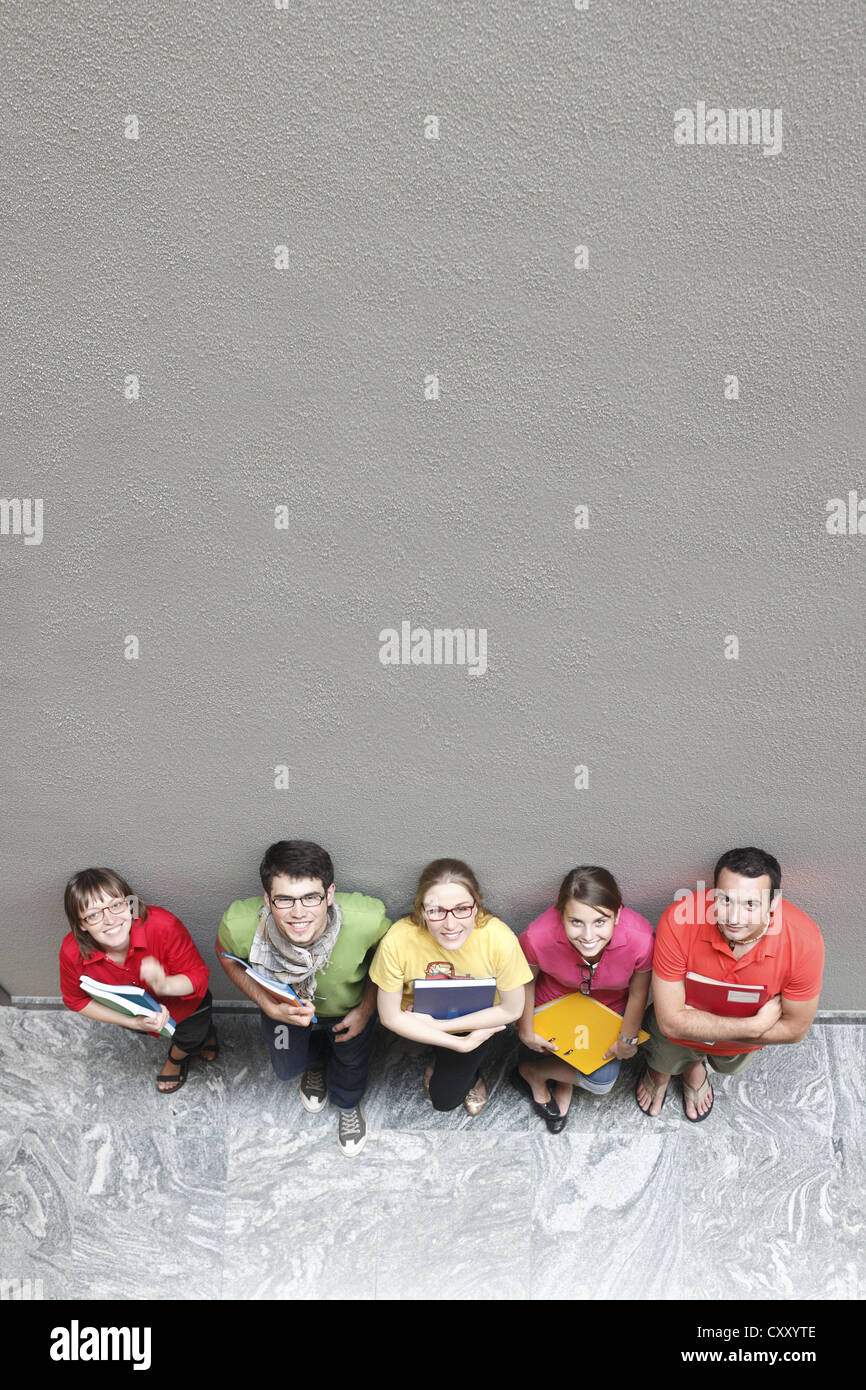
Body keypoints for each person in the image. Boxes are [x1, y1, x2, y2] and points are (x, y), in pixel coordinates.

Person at [216, 839, 389, 1157]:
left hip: (347, 1010)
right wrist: (268, 1005)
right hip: (283, 1009)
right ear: (268, 900)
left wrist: (366, 1009)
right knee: (288, 1061)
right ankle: (314, 1067)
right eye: (284, 900)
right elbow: (225, 955)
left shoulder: (368, 919)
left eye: (311, 897)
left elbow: (388, 959)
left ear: (330, 894)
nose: (299, 913)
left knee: (351, 1061)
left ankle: (348, 1104)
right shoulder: (239, 924)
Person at [635, 846, 825, 1121]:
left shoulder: (804, 941)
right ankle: (661, 1070)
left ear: (773, 905)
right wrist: (753, 1026)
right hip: (687, 1034)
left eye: (750, 904)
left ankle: (694, 1068)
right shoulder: (679, 920)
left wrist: (722, 1030)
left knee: (727, 1065)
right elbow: (669, 1022)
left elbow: (795, 1030)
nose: (734, 918)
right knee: (662, 1052)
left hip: (736, 1047)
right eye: (725, 900)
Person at [370, 858, 532, 1116]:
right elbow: (390, 1016)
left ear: (476, 907)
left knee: (444, 1100)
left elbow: (512, 1009)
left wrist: (442, 1028)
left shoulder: (498, 939)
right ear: (422, 910)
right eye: (436, 911)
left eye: (461, 909)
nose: (450, 924)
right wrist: (458, 1044)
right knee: (445, 1084)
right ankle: (443, 1054)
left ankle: (472, 1074)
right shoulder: (399, 940)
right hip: (416, 1018)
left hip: (478, 1023)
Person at [515, 866, 653, 1131]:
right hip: (551, 1004)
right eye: (576, 922)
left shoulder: (641, 939)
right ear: (561, 915)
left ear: (618, 915)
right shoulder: (537, 937)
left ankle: (537, 1072)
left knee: (602, 1082)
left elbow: (638, 992)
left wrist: (627, 1039)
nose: (588, 937)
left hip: (606, 1010)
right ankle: (554, 1076)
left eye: (600, 921)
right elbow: (525, 982)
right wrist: (526, 1030)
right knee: (551, 1047)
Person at [60, 868, 215, 1094]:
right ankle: (204, 1035)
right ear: (81, 924)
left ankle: (177, 1059)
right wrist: (134, 1023)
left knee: (191, 1037)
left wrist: (165, 985)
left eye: (116, 905)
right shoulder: (71, 951)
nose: (109, 920)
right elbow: (75, 1001)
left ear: (130, 904)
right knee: (192, 1035)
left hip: (186, 1008)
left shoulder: (163, 925)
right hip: (135, 1017)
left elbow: (199, 978)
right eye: (94, 915)